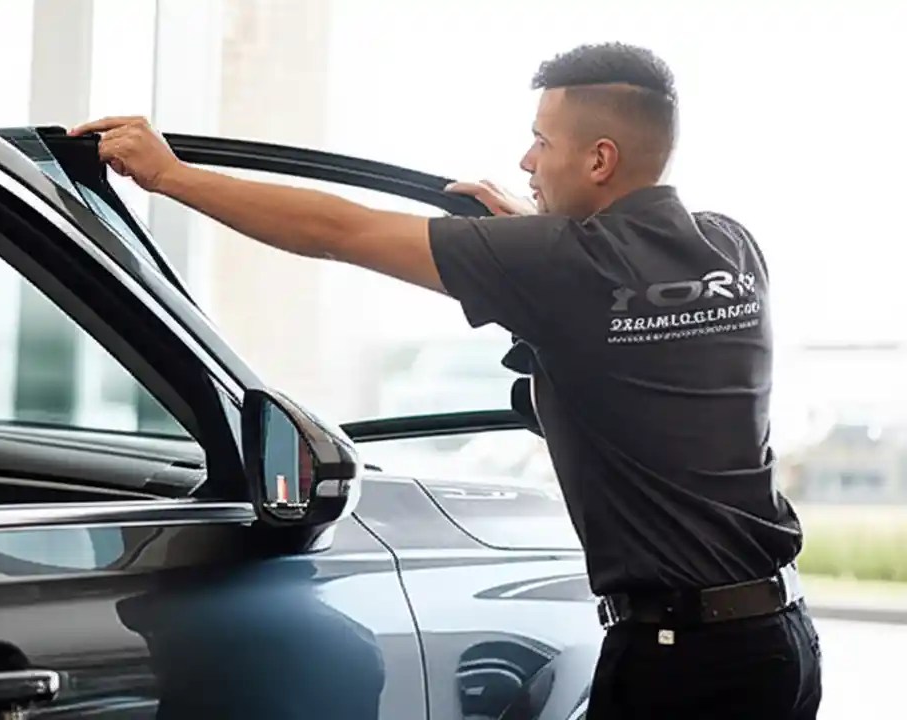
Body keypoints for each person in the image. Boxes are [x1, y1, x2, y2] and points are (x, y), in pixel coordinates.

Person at [71, 41, 821, 720]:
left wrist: (170, 175)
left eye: (540, 140)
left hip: (681, 660)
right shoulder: (732, 247)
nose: (527, 162)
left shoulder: (560, 267)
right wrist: (522, 237)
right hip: (782, 644)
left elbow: (340, 231)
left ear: (598, 160)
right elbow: (629, 320)